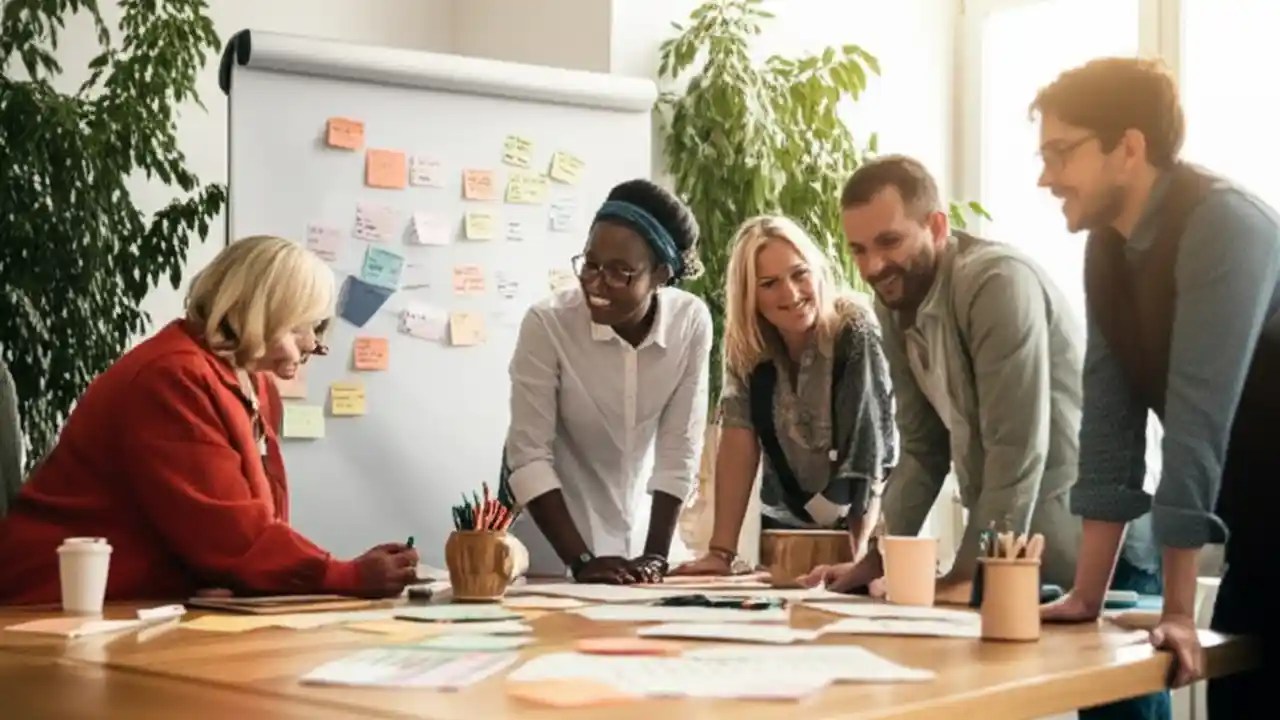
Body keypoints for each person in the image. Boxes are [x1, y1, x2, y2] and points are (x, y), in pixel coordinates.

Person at [1031, 57, 1279, 714]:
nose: (1045, 177)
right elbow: (1111, 428)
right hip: (1260, 533)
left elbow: (1198, 426)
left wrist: (1176, 609)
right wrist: (1088, 596)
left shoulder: (1227, 225)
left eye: (1061, 153)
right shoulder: (1107, 247)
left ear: (1129, 147)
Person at [0, 236, 419, 604]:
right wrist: (346, 575)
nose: (313, 345)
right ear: (260, 312)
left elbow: (251, 528)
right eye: (302, 327)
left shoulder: (254, 384)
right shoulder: (174, 375)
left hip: (136, 604)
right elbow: (233, 537)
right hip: (55, 605)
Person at [824, 154, 1083, 601]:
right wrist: (876, 559)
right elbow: (923, 449)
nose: (872, 267)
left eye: (889, 241)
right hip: (1011, 563)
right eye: (859, 249)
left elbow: (1015, 450)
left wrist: (967, 576)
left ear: (938, 227)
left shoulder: (996, 283)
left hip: (1089, 559)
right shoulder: (894, 300)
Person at [502, 179, 712, 585]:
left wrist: (655, 556)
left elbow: (679, 449)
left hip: (646, 546)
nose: (596, 284)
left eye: (620, 272)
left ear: (661, 275)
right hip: (556, 553)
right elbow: (528, 456)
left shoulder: (690, 322)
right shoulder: (548, 324)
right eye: (591, 264)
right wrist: (581, 560)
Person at [668, 215, 896, 578]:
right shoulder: (748, 348)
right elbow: (738, 443)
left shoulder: (854, 331)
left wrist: (858, 561)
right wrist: (720, 553)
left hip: (868, 529)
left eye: (799, 274)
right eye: (769, 284)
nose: (790, 294)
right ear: (750, 294)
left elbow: (868, 453)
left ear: (817, 270)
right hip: (788, 525)